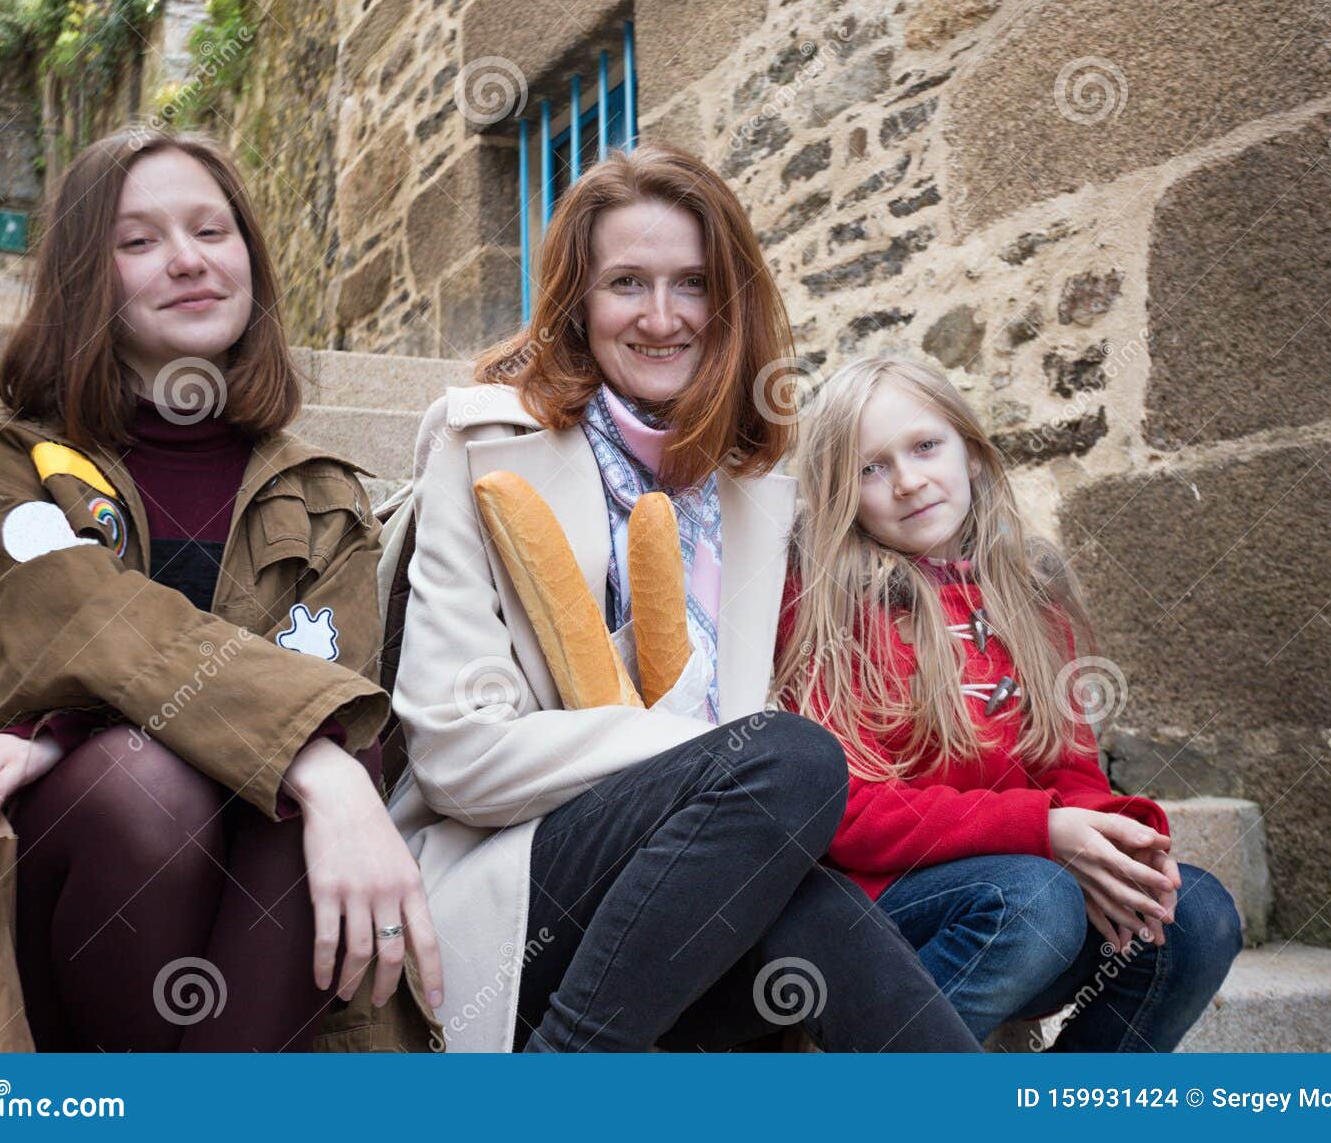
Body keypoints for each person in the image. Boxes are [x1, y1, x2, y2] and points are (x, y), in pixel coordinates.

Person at [385, 146, 978, 1053]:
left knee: (802, 894)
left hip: (699, 887)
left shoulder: (755, 486)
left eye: (692, 284)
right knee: (787, 762)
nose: (662, 318)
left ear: (728, 300)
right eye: (627, 282)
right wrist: (712, 755)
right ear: (578, 305)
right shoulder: (485, 448)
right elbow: (458, 756)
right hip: (522, 873)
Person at [0, 127, 442, 1052]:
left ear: (250, 260)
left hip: (261, 902)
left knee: (290, 808)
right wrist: (314, 757)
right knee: (151, 783)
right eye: (138, 241)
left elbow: (340, 689)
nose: (187, 261)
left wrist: (314, 768)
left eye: (212, 231)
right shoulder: (8, 465)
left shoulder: (327, 495)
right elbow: (85, 619)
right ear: (86, 278)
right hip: (81, 879)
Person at [774, 354, 1241, 1050]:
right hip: (880, 919)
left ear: (971, 452)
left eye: (926, 446)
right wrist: (1044, 830)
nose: (907, 481)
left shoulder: (1028, 593)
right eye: (870, 469)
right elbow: (847, 813)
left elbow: (1071, 767)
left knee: (1197, 913)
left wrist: (1117, 842)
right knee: (1031, 899)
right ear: (840, 493)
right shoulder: (825, 605)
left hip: (1021, 898)